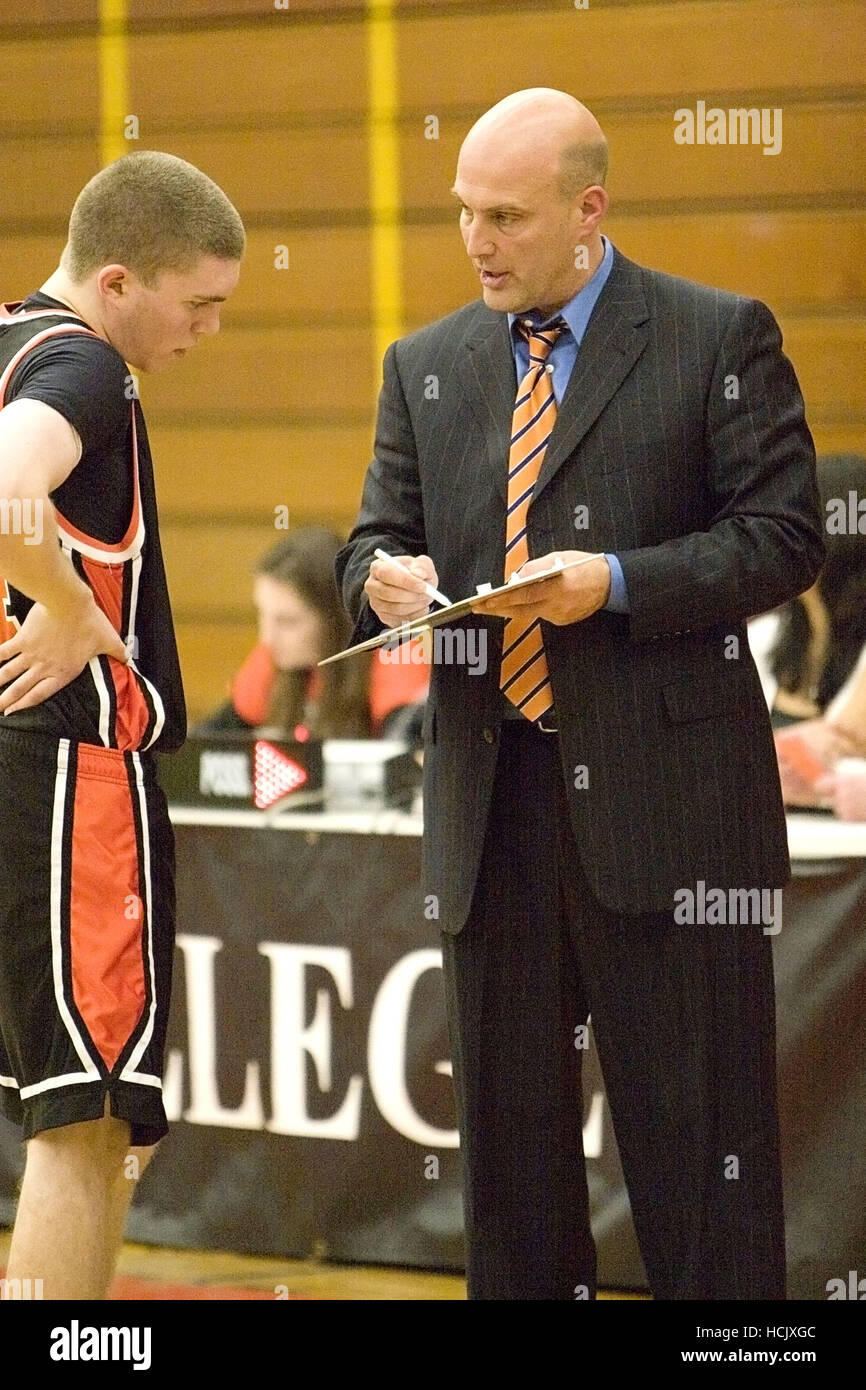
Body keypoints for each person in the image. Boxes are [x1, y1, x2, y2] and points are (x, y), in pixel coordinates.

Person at [336, 88, 825, 1300]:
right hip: (489, 809)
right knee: (509, 1181)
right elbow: (365, 542)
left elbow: (781, 540)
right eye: (462, 213)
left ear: (587, 210)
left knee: (700, 1163)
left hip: (672, 815)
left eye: (504, 214)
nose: (476, 240)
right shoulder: (426, 362)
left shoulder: (716, 336)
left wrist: (608, 581)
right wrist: (379, 581)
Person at [0, 151, 244, 1298]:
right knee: (83, 1120)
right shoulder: (89, 371)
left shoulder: (6, 338)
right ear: (113, 282)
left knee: (84, 1118)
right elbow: (4, 485)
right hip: (70, 778)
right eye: (198, 303)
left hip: (25, 768)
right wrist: (65, 604)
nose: (208, 330)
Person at [197, 526, 429, 741]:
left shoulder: (389, 648)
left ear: (335, 621)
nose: (267, 638)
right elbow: (210, 740)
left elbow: (405, 744)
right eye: (263, 614)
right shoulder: (275, 655)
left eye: (288, 621)